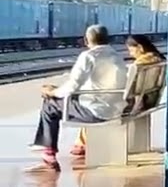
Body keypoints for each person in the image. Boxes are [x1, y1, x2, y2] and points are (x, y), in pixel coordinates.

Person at [30, 25, 127, 172]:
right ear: (108, 39)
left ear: (86, 40)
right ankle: (56, 149)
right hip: (116, 108)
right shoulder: (116, 56)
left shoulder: (88, 56)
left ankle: (49, 155)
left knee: (50, 104)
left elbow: (73, 85)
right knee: (62, 98)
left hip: (97, 111)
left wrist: (53, 92)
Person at [69, 34, 166, 158]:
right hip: (146, 102)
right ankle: (82, 142)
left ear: (140, 47)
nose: (130, 53)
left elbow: (126, 85)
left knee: (95, 105)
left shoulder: (141, 63)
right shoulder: (158, 59)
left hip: (133, 105)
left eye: (131, 50)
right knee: (97, 103)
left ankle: (82, 144)